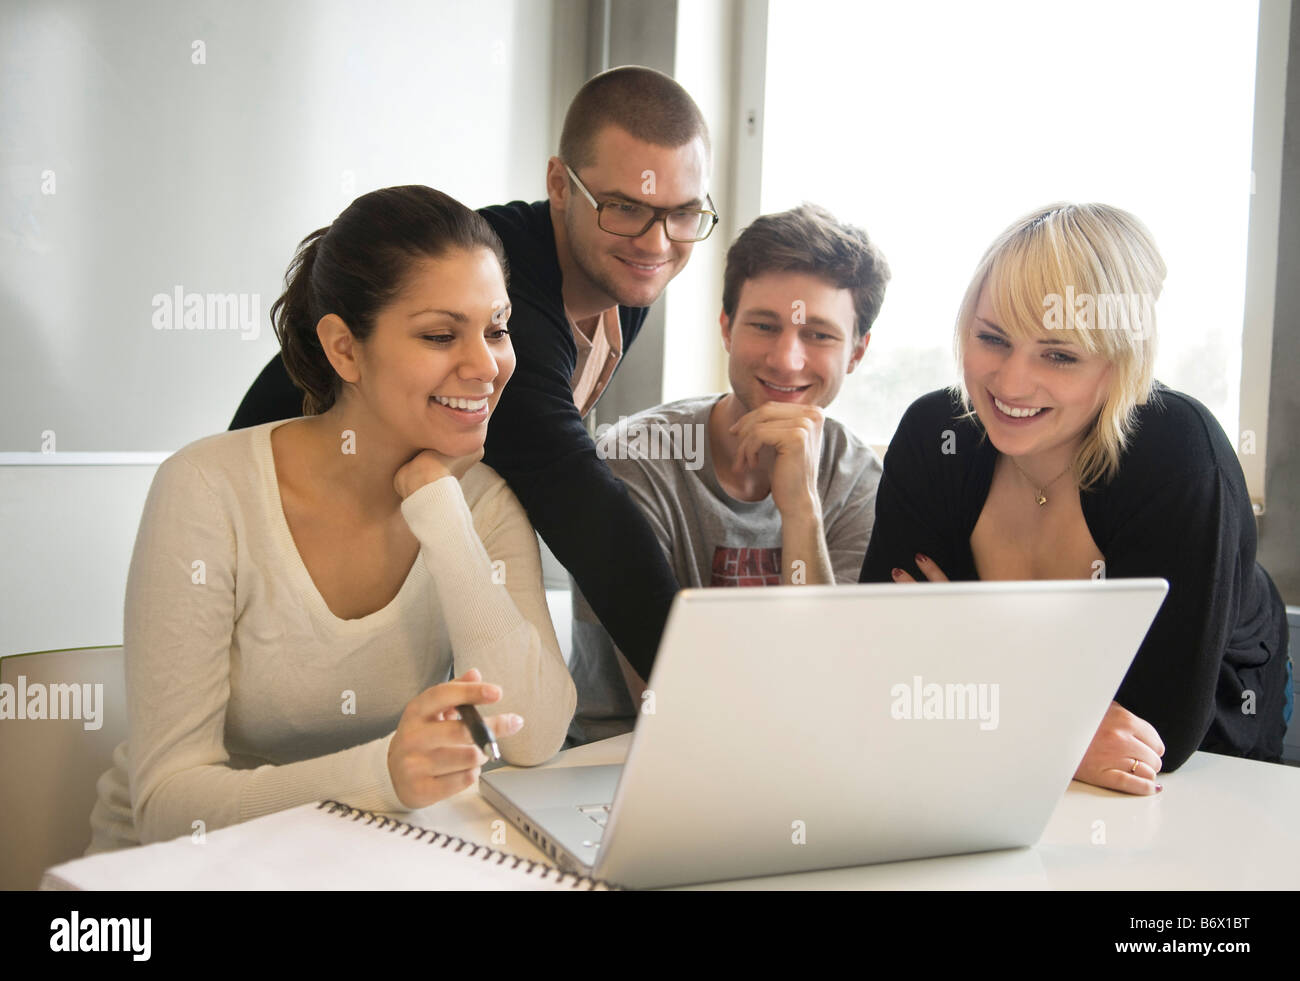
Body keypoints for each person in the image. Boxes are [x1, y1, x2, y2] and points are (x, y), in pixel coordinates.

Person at [87, 186, 576, 852]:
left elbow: (534, 734)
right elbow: (167, 805)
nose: (487, 365)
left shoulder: (479, 504)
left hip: (356, 861)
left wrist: (438, 505)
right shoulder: (205, 488)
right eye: (440, 334)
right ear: (344, 350)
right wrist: (380, 774)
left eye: (496, 328)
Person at [229, 67, 716, 682]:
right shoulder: (504, 291)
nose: (657, 242)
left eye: (683, 213)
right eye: (624, 207)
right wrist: (706, 698)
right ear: (559, 185)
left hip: (392, 560)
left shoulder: (625, 279)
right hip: (276, 558)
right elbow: (587, 508)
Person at [859, 202, 1290, 794]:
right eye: (992, 339)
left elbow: (1152, 733)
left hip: (1211, 757)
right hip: (997, 763)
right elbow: (884, 670)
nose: (1010, 383)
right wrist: (1057, 717)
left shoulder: (1176, 452)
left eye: (1059, 355)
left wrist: (967, 645)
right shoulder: (937, 437)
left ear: (1119, 366)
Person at [568, 204, 890, 744]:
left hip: (795, 758)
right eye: (764, 326)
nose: (787, 360)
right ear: (726, 329)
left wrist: (800, 508)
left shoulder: (858, 480)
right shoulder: (636, 458)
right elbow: (669, 698)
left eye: (819, 335)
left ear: (856, 352)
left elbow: (833, 691)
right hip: (620, 757)